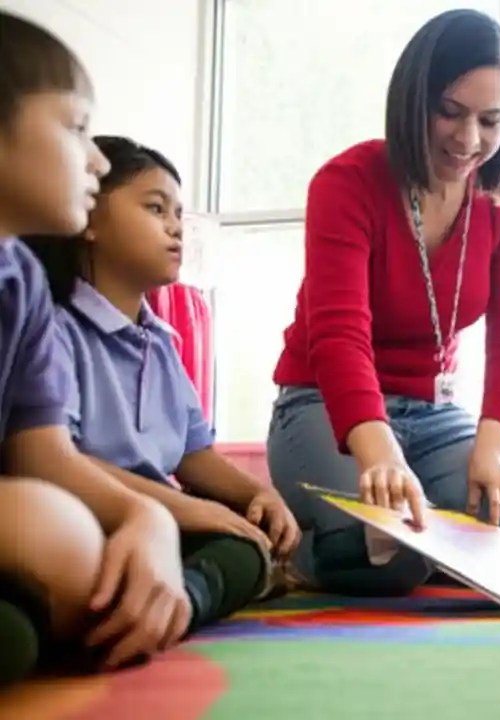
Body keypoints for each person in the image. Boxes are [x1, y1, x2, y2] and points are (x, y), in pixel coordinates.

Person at [266, 8, 500, 597]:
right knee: (391, 559)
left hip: (433, 412)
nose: (469, 140)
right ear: (413, 99)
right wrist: (379, 453)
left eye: (491, 120)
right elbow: (338, 335)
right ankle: (292, 552)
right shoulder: (346, 182)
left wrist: (491, 450)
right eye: (450, 112)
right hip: (323, 405)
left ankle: (432, 535)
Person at [22, 135, 302, 633]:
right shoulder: (55, 331)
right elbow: (57, 460)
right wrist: (187, 509)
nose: (176, 227)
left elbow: (194, 454)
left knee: (243, 549)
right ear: (88, 216)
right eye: (156, 208)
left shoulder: (162, 342)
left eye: (178, 213)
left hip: (161, 520)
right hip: (84, 515)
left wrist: (261, 496)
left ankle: (176, 605)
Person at [0, 12, 191, 685]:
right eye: (76, 128)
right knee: (58, 535)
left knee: (78, 542)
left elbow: (43, 454)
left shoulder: (19, 281)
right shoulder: (58, 316)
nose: (99, 160)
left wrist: (152, 522)